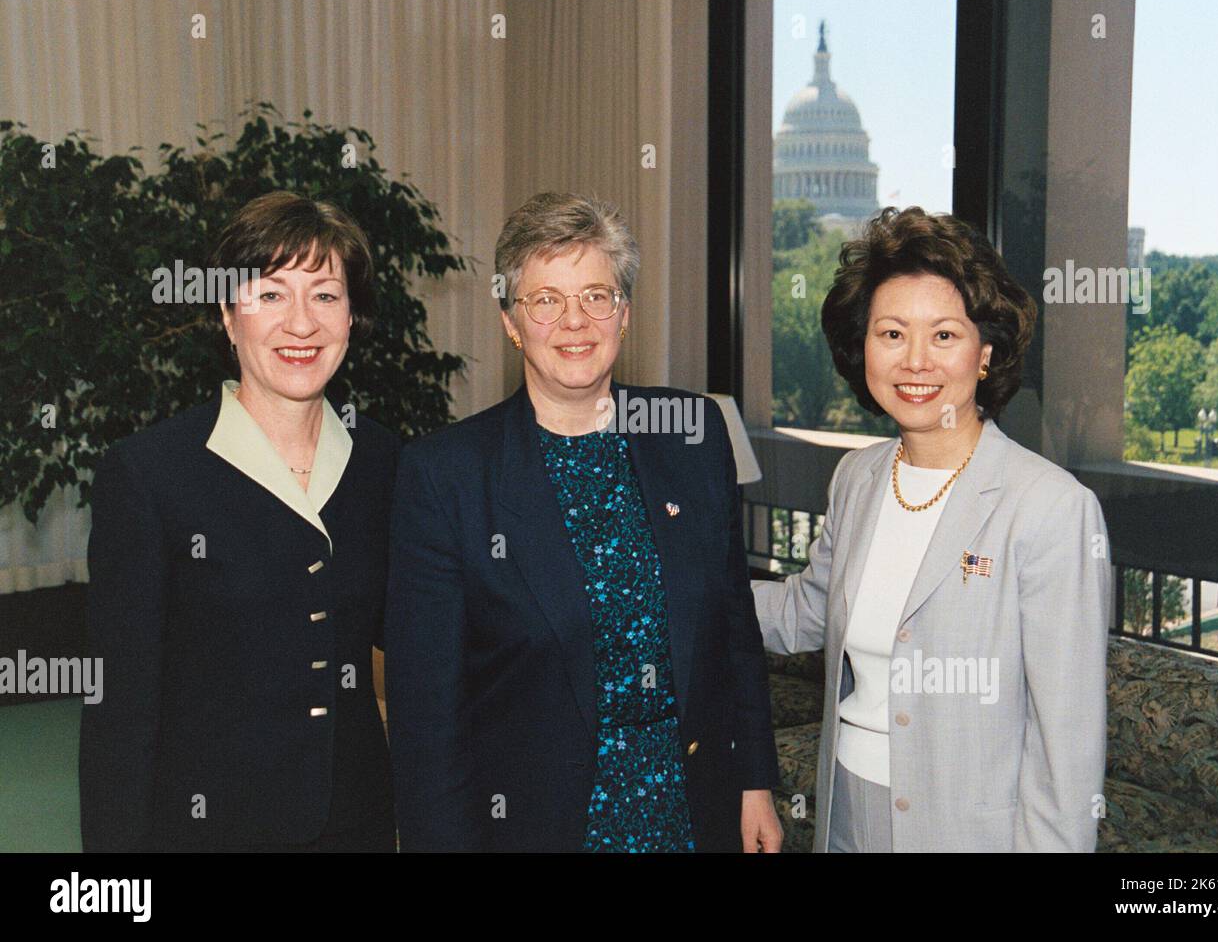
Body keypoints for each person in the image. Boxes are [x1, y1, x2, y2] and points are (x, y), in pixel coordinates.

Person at [386, 191, 782, 852]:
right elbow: (428, 722)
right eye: (546, 300)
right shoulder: (445, 475)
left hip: (689, 808)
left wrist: (755, 781)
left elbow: (733, 629)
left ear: (624, 313)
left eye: (597, 295)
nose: (576, 321)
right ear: (512, 321)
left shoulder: (692, 434)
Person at [752, 206, 1111, 852]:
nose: (915, 361)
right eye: (891, 334)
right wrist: (681, 582)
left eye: (944, 335)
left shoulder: (1051, 508)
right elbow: (807, 611)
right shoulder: (856, 478)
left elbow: (1068, 748)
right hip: (842, 815)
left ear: (986, 353)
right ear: (861, 348)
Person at [79, 191, 398, 851]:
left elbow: (418, 651)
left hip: (358, 826)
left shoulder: (385, 462)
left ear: (352, 317)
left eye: (325, 295)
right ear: (228, 316)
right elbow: (120, 714)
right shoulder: (149, 476)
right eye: (271, 294)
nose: (301, 324)